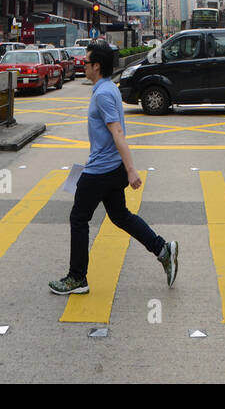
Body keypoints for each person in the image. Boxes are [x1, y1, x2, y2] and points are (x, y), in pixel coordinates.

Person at [49, 43, 178, 295]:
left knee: (78, 218)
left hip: (102, 171)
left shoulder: (103, 94)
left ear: (96, 66)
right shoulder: (107, 89)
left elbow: (117, 132)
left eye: (86, 62)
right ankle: (163, 250)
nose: (82, 65)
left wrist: (131, 170)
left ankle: (77, 278)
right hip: (109, 167)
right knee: (120, 216)